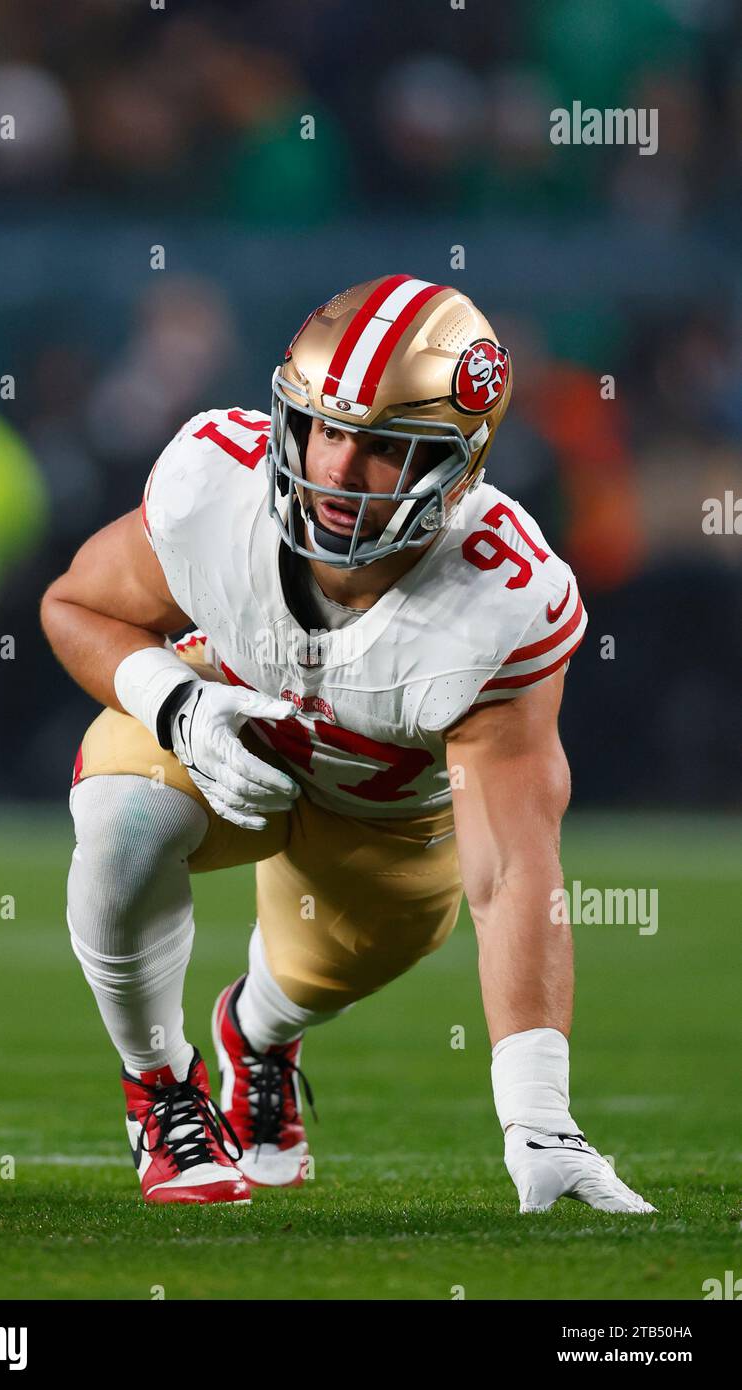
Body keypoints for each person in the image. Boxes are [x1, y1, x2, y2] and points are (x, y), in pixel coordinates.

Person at [41, 274, 655, 1214]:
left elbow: (512, 872)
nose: (334, 468)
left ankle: (257, 1033)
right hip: (221, 737)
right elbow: (76, 604)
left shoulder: (502, 599)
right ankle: (162, 1091)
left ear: (457, 468)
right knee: (122, 820)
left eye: (382, 447)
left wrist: (539, 1118)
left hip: (390, 823)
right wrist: (178, 707)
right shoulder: (217, 485)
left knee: (321, 975)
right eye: (326, 428)